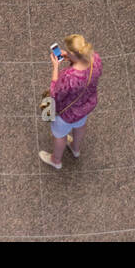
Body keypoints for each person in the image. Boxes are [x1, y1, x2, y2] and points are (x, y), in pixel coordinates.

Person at [39, 33, 102, 170]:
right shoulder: (95, 59)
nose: (66, 53)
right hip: (85, 107)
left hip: (66, 113)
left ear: (74, 54)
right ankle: (75, 148)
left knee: (59, 136)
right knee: (80, 125)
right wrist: (71, 58)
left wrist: (55, 67)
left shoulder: (70, 77)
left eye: (68, 52)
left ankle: (56, 160)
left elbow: (55, 93)